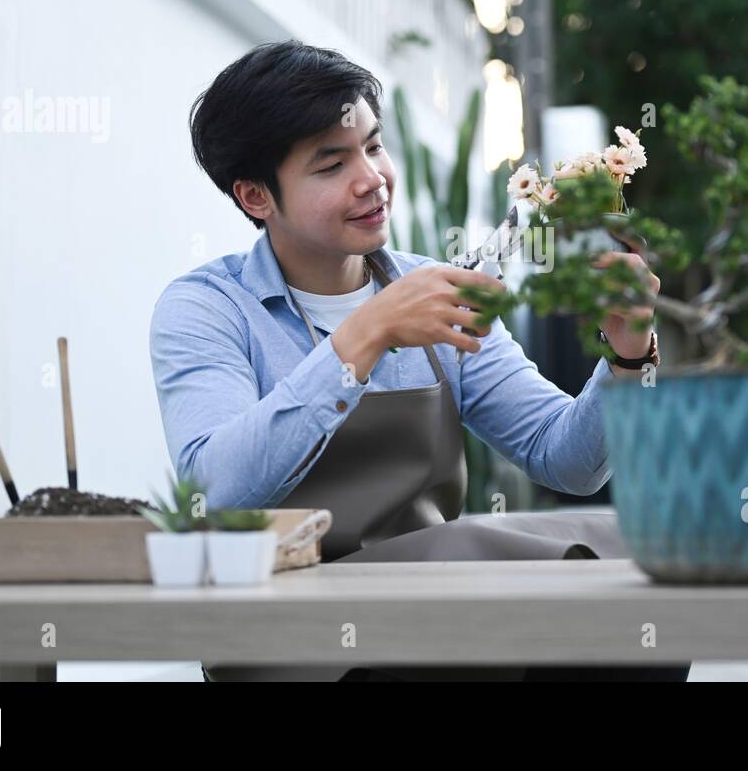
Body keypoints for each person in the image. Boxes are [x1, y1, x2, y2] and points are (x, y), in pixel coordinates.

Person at [150, 40, 687, 682]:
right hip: (288, 637)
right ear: (256, 196)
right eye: (331, 165)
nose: (371, 178)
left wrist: (628, 355)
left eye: (373, 146)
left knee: (630, 552)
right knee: (466, 552)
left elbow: (567, 461)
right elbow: (214, 489)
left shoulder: (436, 287)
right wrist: (367, 333)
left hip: (435, 618)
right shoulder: (208, 310)